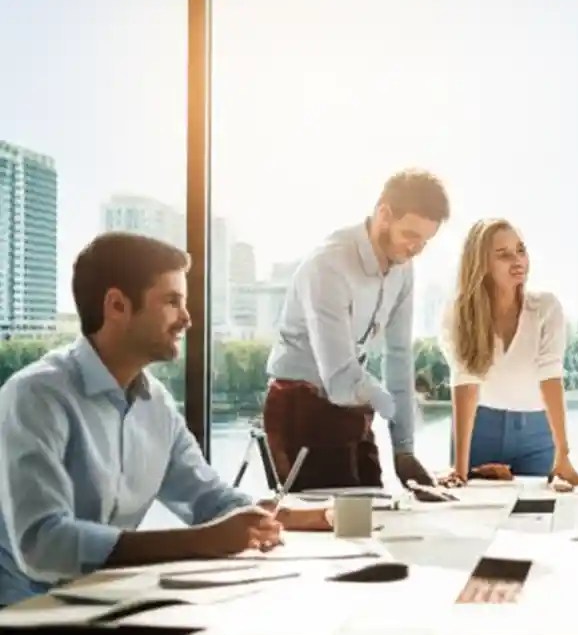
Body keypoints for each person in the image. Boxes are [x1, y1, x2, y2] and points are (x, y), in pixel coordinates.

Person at [0, 234, 331, 607]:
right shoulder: (35, 395)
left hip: (104, 605)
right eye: (173, 302)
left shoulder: (155, 403)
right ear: (117, 305)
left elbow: (209, 498)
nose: (187, 319)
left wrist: (303, 516)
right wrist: (199, 543)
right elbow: (43, 544)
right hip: (22, 619)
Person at [264, 169, 448, 491]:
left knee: (374, 512)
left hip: (353, 405)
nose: (416, 249)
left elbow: (399, 355)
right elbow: (339, 380)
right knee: (331, 522)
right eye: (410, 235)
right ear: (384, 214)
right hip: (302, 406)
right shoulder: (329, 266)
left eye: (425, 241)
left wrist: (404, 449)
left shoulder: (403, 270)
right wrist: (386, 402)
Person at [438, 219, 578, 486]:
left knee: (540, 517)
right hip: (480, 429)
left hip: (538, 431)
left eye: (520, 250)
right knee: (474, 512)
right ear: (481, 263)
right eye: (503, 255)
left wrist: (563, 454)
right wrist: (459, 469)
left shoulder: (546, 308)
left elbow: (551, 376)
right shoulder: (459, 313)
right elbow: (464, 383)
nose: (517, 260)